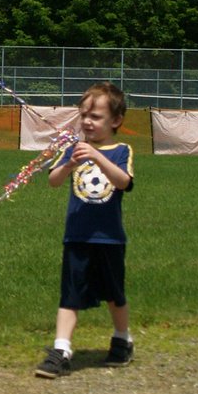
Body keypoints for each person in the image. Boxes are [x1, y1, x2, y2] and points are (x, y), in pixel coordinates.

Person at [35, 81, 135, 378]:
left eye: (96, 117)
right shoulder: (73, 149)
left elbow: (123, 182)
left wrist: (97, 157)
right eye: (84, 116)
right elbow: (53, 181)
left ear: (116, 120)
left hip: (109, 239)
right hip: (77, 236)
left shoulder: (121, 150)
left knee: (115, 295)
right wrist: (69, 164)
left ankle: (122, 339)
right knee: (70, 295)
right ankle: (61, 349)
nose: (88, 122)